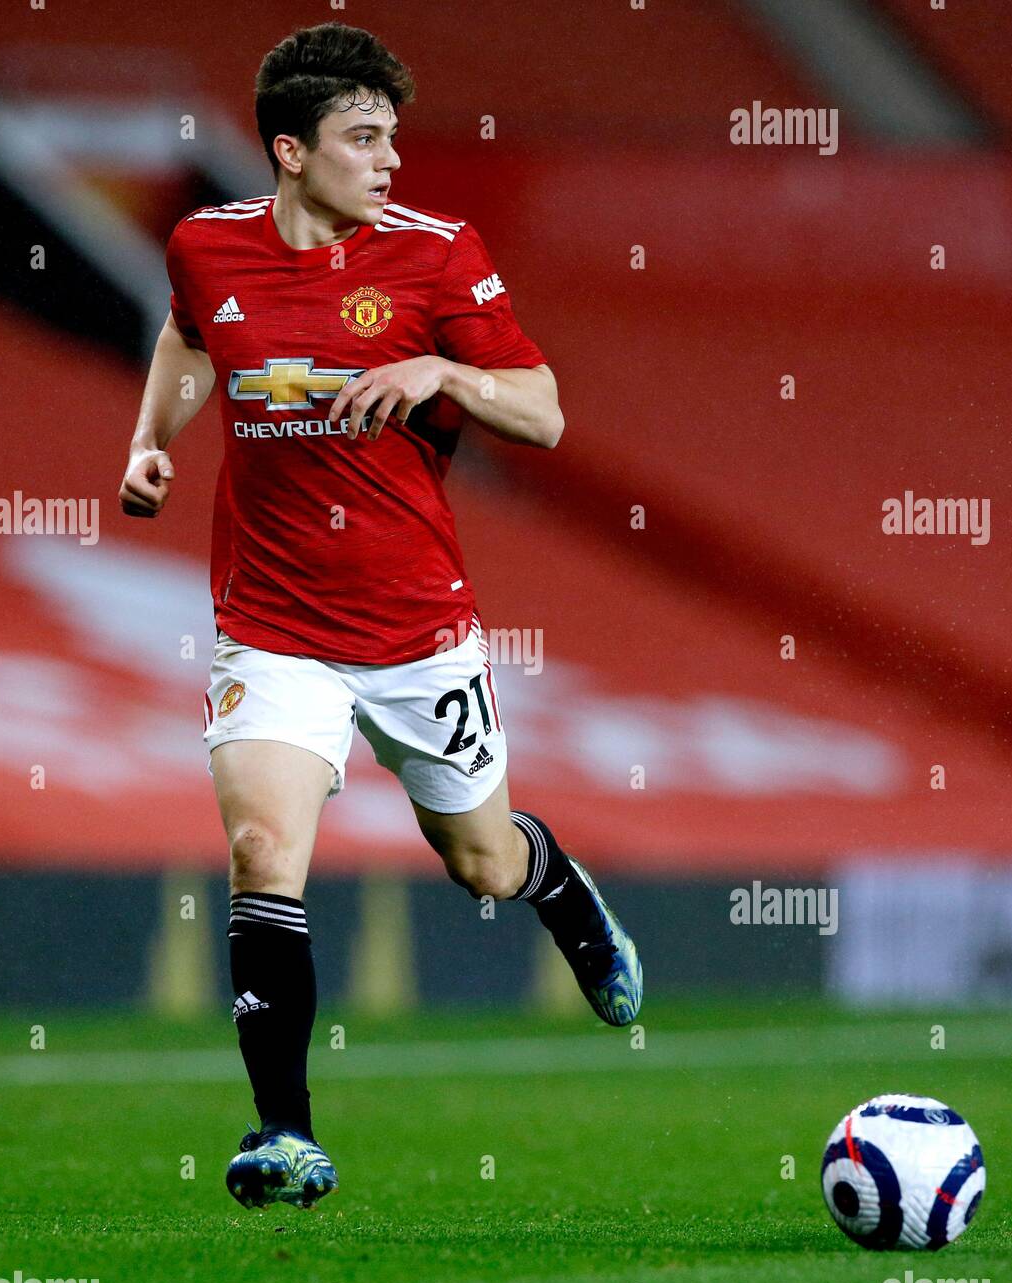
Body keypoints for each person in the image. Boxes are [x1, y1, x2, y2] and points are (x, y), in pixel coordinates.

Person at [120, 22, 642, 1212]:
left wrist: (445, 376)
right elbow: (191, 338)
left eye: (393, 137)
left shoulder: (441, 256)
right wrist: (153, 440)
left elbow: (548, 415)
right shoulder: (207, 247)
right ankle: (283, 1135)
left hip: (417, 633)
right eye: (365, 139)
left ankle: (554, 882)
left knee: (479, 858)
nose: (391, 161)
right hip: (271, 624)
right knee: (262, 853)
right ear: (292, 153)